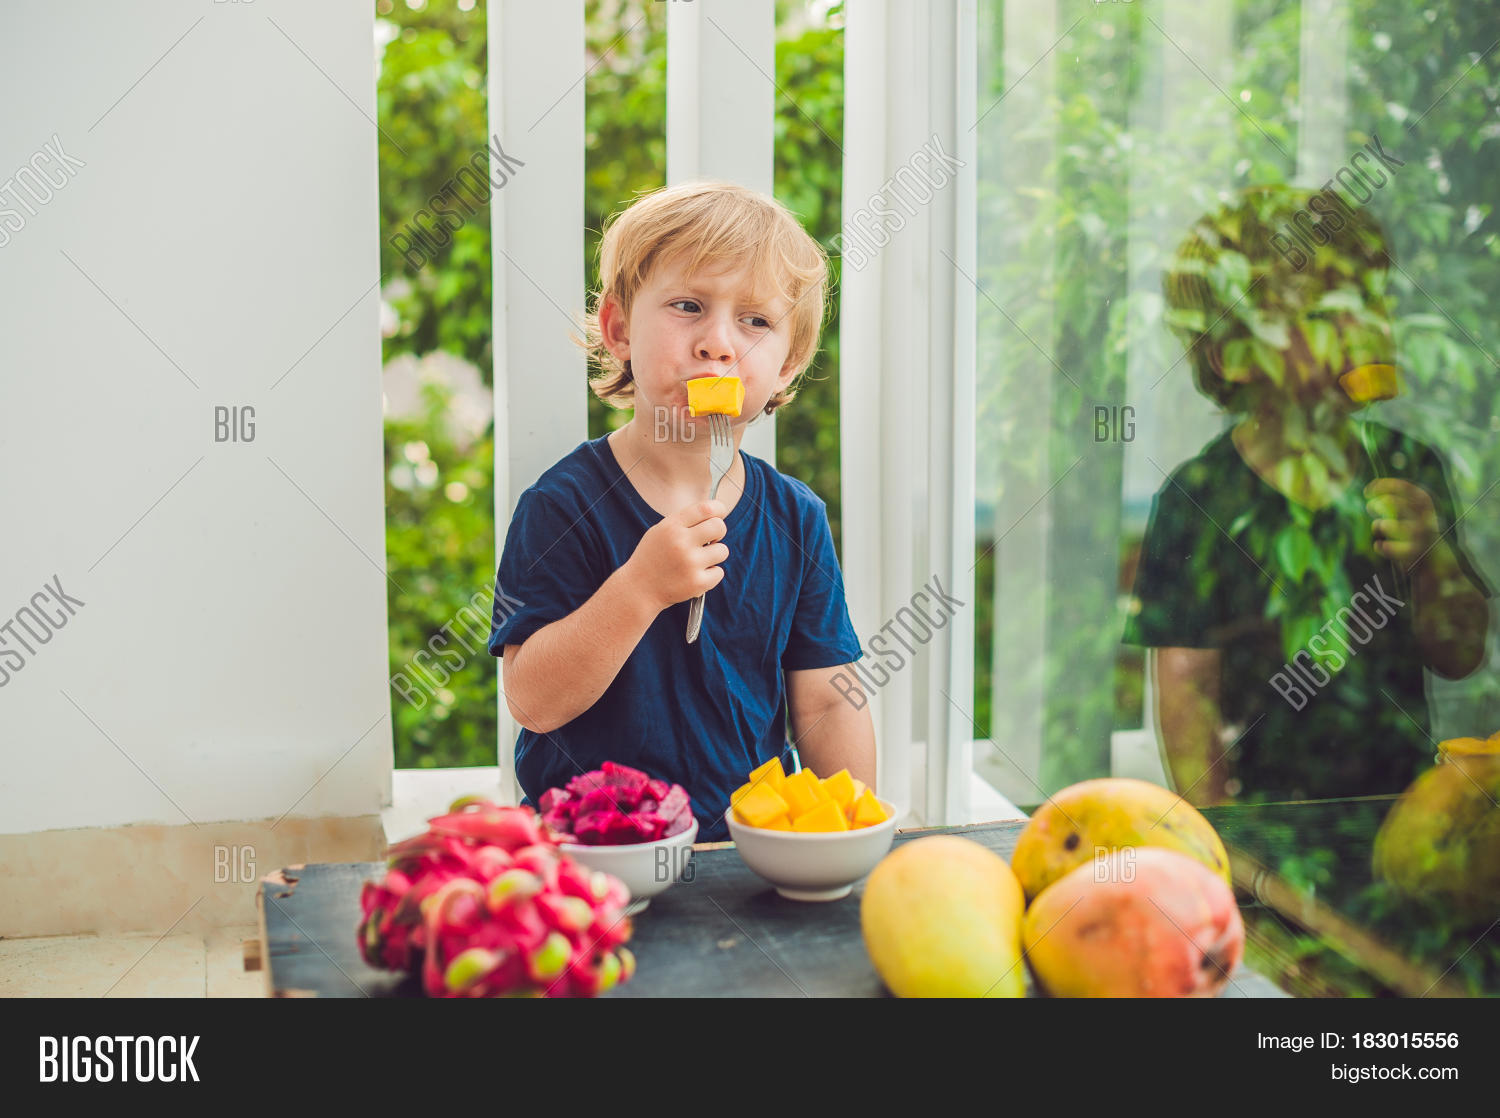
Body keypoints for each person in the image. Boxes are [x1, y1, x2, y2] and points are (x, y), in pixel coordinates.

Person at [488, 180, 876, 840]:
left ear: (789, 365)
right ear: (618, 330)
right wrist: (639, 589)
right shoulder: (562, 506)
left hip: (748, 854)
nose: (717, 343)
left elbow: (827, 703)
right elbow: (533, 700)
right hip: (594, 855)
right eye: (688, 306)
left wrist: (856, 832)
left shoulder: (796, 518)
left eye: (755, 321)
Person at [1124, 185, 1490, 806]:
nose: (1360, 329)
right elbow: (1186, 693)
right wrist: (1224, 839)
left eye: (1368, 305)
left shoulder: (1407, 468)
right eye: (1324, 316)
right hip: (1265, 815)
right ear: (1234, 358)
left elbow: (1462, 656)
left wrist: (1432, 560)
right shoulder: (1198, 497)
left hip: (1404, 806)